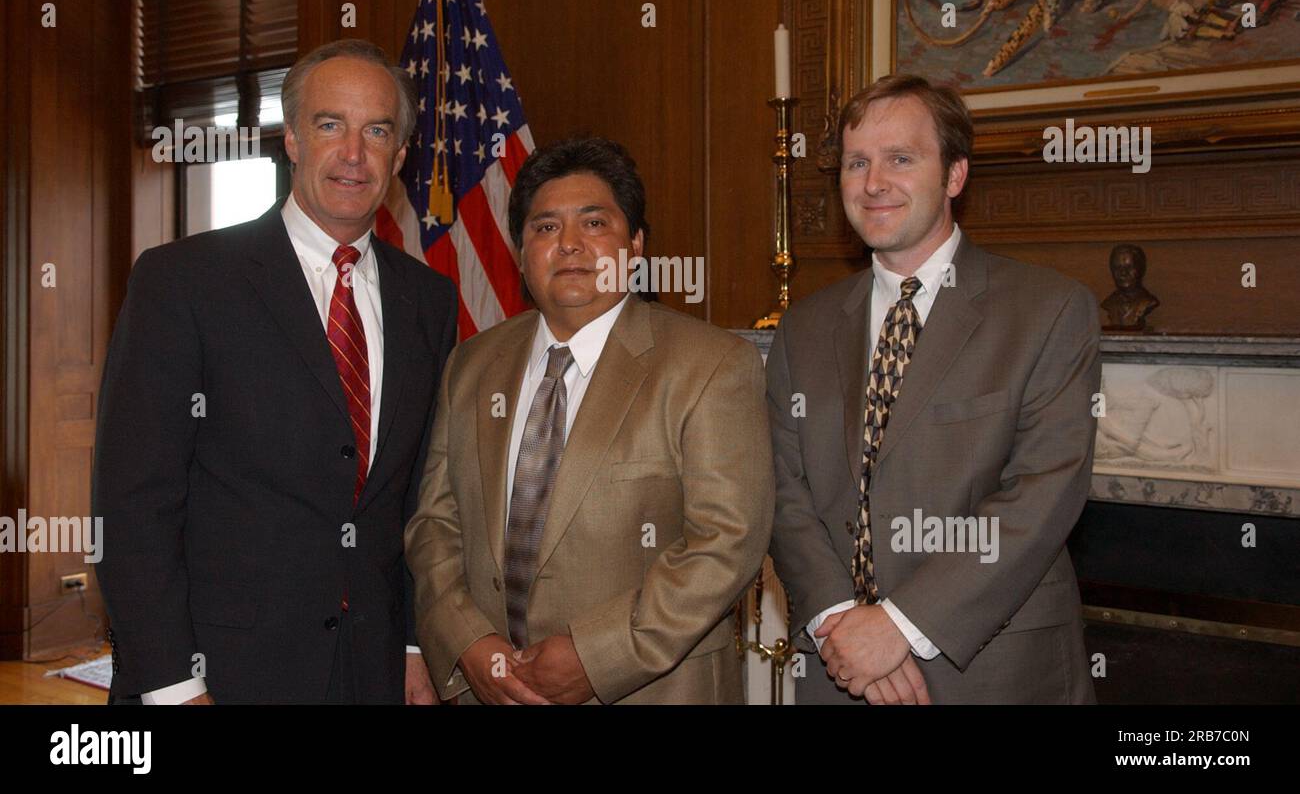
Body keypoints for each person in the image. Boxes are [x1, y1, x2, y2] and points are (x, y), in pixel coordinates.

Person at [92, 39, 458, 704]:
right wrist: (172, 684)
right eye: (329, 126)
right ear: (291, 139)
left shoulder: (428, 301)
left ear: (401, 156)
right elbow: (132, 506)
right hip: (219, 675)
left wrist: (412, 644)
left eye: (377, 131)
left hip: (373, 671)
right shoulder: (184, 282)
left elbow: (416, 503)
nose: (354, 153)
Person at [767, 74, 1100, 704]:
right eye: (857, 162)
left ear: (953, 176)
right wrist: (845, 624)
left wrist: (899, 625)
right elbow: (785, 493)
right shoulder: (803, 328)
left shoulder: (1049, 310)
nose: (873, 183)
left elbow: (1044, 494)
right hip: (837, 669)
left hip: (995, 669)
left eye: (900, 159)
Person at [405, 136, 774, 704]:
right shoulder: (472, 365)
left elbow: (727, 543)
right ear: (520, 249)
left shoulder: (711, 365)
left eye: (595, 223)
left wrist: (596, 656)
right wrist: (468, 642)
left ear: (638, 244)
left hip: (651, 689)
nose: (570, 245)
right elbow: (435, 524)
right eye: (545, 227)